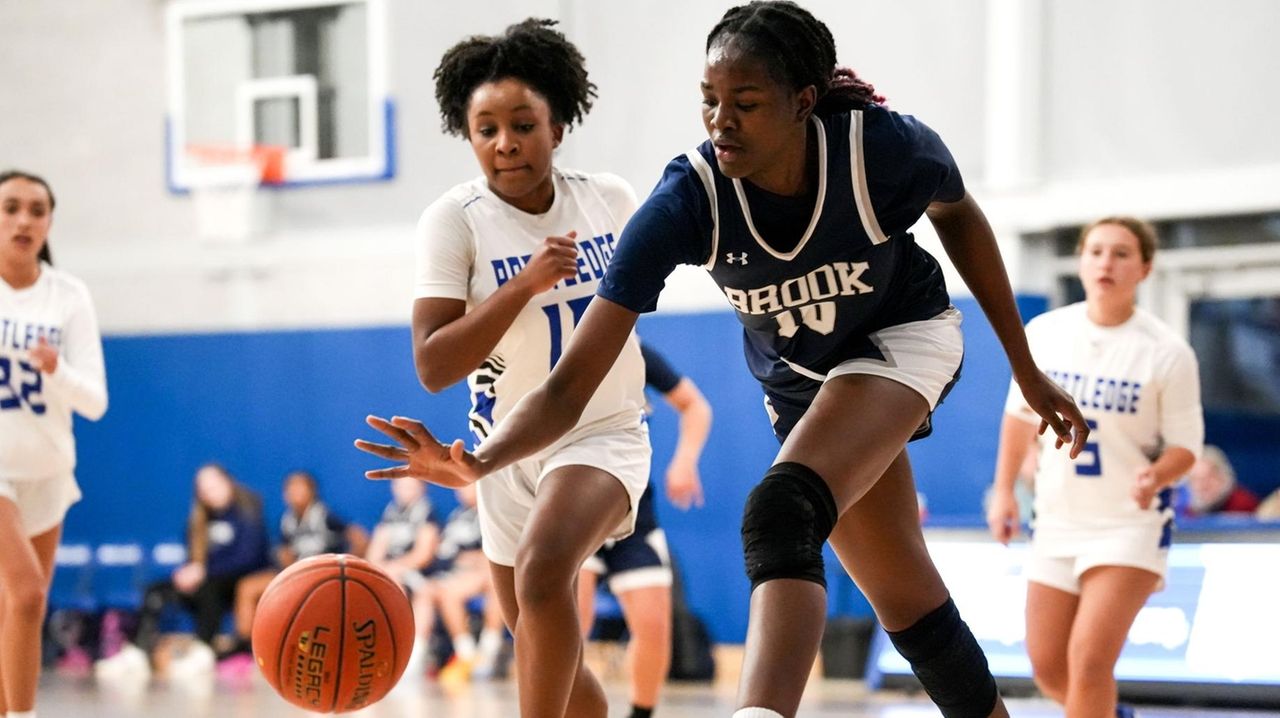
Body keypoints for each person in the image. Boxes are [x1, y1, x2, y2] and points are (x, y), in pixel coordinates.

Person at [356, 4, 1089, 717]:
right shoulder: (688, 199)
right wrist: (480, 464)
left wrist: (1023, 366)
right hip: (797, 380)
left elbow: (958, 214)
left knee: (780, 513)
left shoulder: (880, 148)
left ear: (803, 102)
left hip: (902, 336)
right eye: (709, 100)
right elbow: (569, 382)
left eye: (746, 103)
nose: (720, 120)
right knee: (906, 596)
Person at [356, 17, 652, 717]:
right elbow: (433, 365)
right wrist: (523, 285)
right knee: (542, 646)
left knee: (544, 574)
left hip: (602, 433)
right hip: (502, 451)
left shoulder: (608, 200)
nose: (505, 143)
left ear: (557, 125)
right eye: (485, 129)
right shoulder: (454, 220)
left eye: (523, 125)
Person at [988, 216, 1203, 718]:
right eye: (1096, 251)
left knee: (1089, 661)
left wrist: (1157, 475)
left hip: (1129, 524)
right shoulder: (1046, 332)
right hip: (1057, 519)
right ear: (1081, 262)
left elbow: (1187, 447)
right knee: (1047, 667)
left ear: (1145, 268)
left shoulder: (1168, 352)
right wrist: (1003, 490)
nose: (1107, 262)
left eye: (1122, 253)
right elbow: (1019, 417)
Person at [0, 170, 108, 718]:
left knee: (17, 614)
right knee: (26, 594)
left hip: (47, 469)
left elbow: (95, 402)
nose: (24, 220)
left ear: (49, 222)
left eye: (37, 210)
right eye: (11, 207)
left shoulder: (68, 295)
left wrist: (56, 370)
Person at [576, 341, 711, 718]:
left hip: (634, 511)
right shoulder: (562, 349)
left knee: (654, 626)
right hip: (576, 510)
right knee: (571, 622)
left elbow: (696, 406)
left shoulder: (635, 350)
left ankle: (641, 712)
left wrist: (685, 461)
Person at [94, 463, 270, 683]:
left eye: (214, 486)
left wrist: (205, 571)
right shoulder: (199, 522)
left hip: (233, 583)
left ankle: (203, 651)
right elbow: (194, 559)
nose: (209, 493)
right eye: (203, 490)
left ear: (228, 482)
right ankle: (138, 652)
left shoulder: (248, 514)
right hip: (203, 581)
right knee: (155, 591)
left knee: (209, 589)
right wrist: (187, 573)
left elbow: (249, 557)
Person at [218, 470, 369, 678]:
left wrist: (348, 568)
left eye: (299, 487)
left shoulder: (325, 516)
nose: (294, 492)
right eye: (290, 488)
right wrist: (287, 564)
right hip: (299, 575)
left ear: (311, 491)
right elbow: (285, 552)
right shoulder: (288, 520)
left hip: (325, 578)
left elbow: (359, 538)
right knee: (248, 587)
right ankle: (246, 647)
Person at [365, 476, 442, 675]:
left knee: (414, 592)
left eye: (410, 485)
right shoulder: (391, 512)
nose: (405, 490)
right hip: (391, 571)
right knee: (371, 588)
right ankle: (376, 649)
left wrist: (396, 567)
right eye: (402, 485)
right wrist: (378, 568)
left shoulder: (427, 512)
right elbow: (375, 550)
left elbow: (423, 555)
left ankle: (414, 653)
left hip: (418, 573)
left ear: (422, 487)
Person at [432, 485, 506, 683]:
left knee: (494, 583)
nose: (461, 491)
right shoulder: (457, 516)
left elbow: (499, 551)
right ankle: (466, 655)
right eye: (460, 487)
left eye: (467, 485)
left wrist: (474, 559)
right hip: (454, 573)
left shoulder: (492, 513)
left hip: (487, 572)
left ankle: (488, 650)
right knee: (435, 592)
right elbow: (444, 552)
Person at [1184, 445, 1259, 516]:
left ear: (1223, 476)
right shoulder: (1188, 509)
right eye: (1195, 480)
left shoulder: (1242, 505)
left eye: (1209, 478)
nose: (1203, 486)